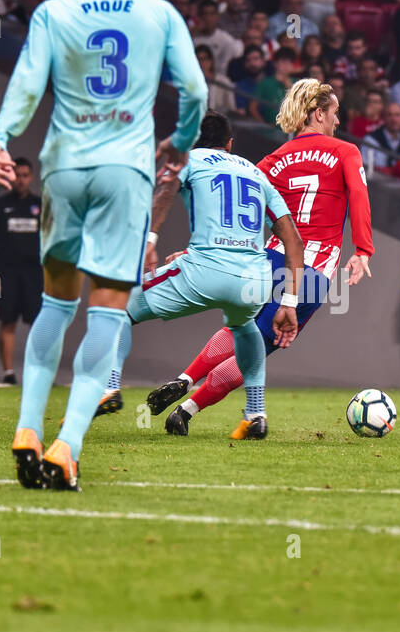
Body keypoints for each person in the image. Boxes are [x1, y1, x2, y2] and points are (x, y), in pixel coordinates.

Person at [0, 0, 207, 491]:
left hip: (61, 168)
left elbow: (28, 84)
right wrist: (180, 144)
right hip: (124, 174)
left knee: (54, 306)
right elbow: (196, 91)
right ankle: (68, 445)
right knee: (106, 311)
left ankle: (29, 428)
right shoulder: (159, 13)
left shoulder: (54, 13)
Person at [143, 79, 373, 435]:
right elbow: (358, 194)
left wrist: (194, 250)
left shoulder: (270, 162)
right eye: (334, 113)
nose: (337, 122)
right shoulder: (345, 152)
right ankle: (186, 411)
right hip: (309, 270)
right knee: (254, 351)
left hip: (264, 260)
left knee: (237, 329)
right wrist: (362, 249)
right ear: (318, 113)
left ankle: (184, 378)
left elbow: (236, 214)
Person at [103, 112, 304, 437]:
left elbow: (164, 193)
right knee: (244, 326)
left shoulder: (189, 159)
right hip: (255, 279)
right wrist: (290, 300)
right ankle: (255, 413)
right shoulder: (257, 174)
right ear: (229, 144)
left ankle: (109, 386)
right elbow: (293, 241)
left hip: (205, 270)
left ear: (194, 140)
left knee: (118, 306)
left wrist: (150, 239)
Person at [0, 157, 43, 385]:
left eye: (25, 175)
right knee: (7, 321)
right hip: (5, 273)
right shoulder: (0, 205)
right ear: (11, 177)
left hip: (34, 274)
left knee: (38, 323)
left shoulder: (40, 204)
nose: (21, 180)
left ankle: (36, 372)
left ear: (30, 177)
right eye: (17, 175)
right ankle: (8, 373)